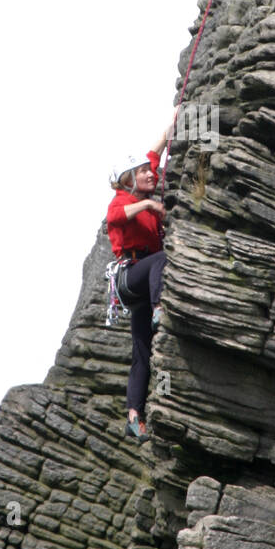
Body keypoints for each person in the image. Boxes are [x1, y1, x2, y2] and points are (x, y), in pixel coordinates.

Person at [106, 121, 173, 441]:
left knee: (142, 350)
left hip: (143, 284)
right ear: (130, 179)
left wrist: (172, 124)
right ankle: (161, 307)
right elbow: (114, 219)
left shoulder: (142, 181)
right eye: (144, 172)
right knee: (161, 259)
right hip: (130, 277)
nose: (151, 174)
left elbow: (155, 152)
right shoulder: (121, 200)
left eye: (150, 171)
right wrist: (147, 204)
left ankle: (134, 416)